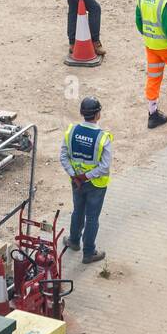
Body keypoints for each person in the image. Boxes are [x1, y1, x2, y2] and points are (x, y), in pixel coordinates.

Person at [60, 96, 111, 265]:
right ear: (98, 114)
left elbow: (63, 157)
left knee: (77, 211)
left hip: (76, 183)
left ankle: (74, 241)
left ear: (82, 113)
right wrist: (86, 177)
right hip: (96, 185)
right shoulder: (103, 137)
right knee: (92, 218)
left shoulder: (71, 132)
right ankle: (89, 253)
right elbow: (104, 167)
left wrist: (75, 175)